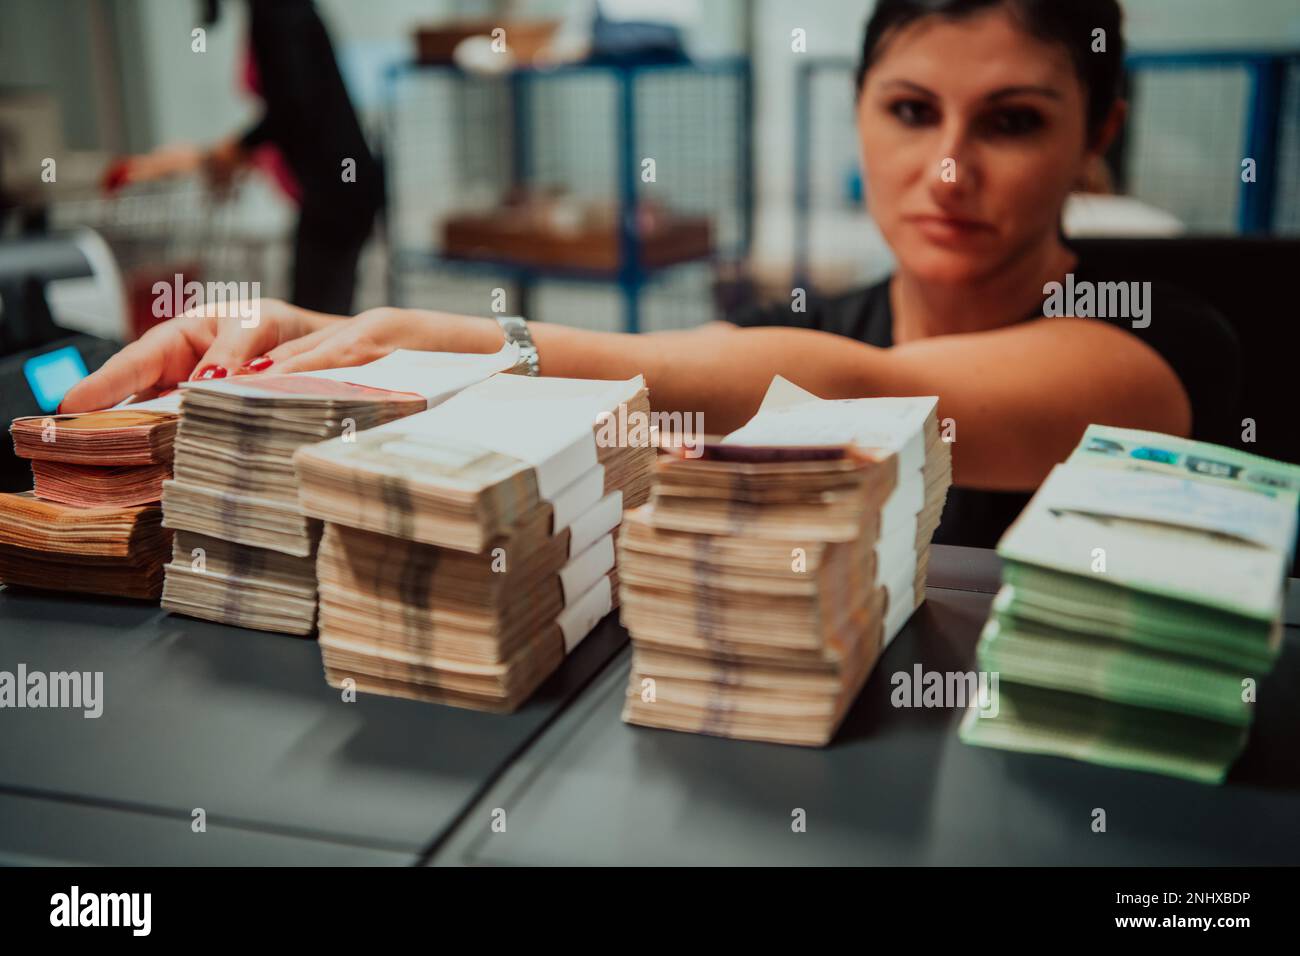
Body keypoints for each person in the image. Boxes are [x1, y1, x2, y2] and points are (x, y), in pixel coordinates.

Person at [63, 0, 1240, 548]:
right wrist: (330, 346)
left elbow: (852, 385)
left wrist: (457, 336)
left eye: (1014, 121)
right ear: (859, 119)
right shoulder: (807, 328)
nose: (945, 169)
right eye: (911, 110)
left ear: (1098, 135)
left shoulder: (1161, 349)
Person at [103, 0, 382, 317]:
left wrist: (231, 150)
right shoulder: (281, 13)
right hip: (340, 189)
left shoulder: (276, 12)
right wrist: (233, 152)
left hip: (336, 193)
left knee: (315, 319)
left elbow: (292, 109)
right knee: (320, 314)